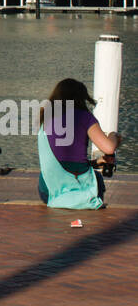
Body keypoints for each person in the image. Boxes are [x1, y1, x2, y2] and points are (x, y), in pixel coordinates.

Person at [38, 78, 122, 208]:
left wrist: (95, 162)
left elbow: (60, 161)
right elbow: (109, 148)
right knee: (98, 178)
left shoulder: (46, 118)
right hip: (81, 191)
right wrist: (113, 135)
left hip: (48, 191)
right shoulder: (84, 117)